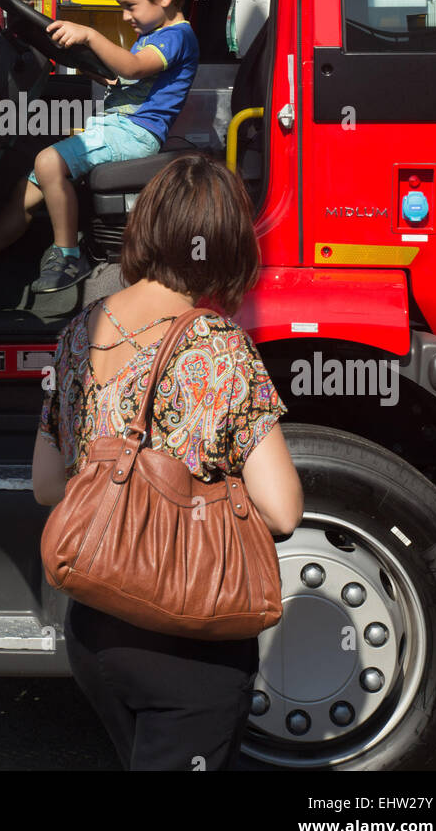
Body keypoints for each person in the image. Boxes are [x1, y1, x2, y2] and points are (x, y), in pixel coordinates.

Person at [32, 154, 303, 771]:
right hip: (187, 646)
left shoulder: (79, 333)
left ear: (147, 227)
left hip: (95, 627)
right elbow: (283, 510)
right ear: (228, 243)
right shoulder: (220, 348)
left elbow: (47, 484)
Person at [0, 0, 199, 296]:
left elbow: (133, 67)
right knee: (27, 190)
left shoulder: (177, 36)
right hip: (118, 127)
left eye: (130, 6)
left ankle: (69, 256)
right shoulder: (155, 34)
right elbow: (131, 77)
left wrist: (90, 35)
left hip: (136, 133)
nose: (125, 16)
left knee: (48, 160)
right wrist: (104, 71)